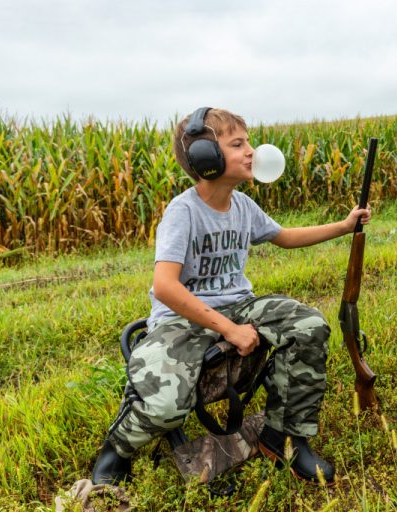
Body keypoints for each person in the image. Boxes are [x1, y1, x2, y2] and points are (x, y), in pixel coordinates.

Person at [92, 107, 371, 486]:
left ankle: (285, 436)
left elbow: (284, 237)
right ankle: (117, 450)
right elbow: (165, 287)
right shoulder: (183, 211)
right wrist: (230, 329)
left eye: (248, 142)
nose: (252, 151)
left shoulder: (243, 205)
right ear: (207, 158)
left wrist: (344, 225)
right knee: (165, 407)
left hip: (238, 303)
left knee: (308, 324)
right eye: (238, 144)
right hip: (181, 318)